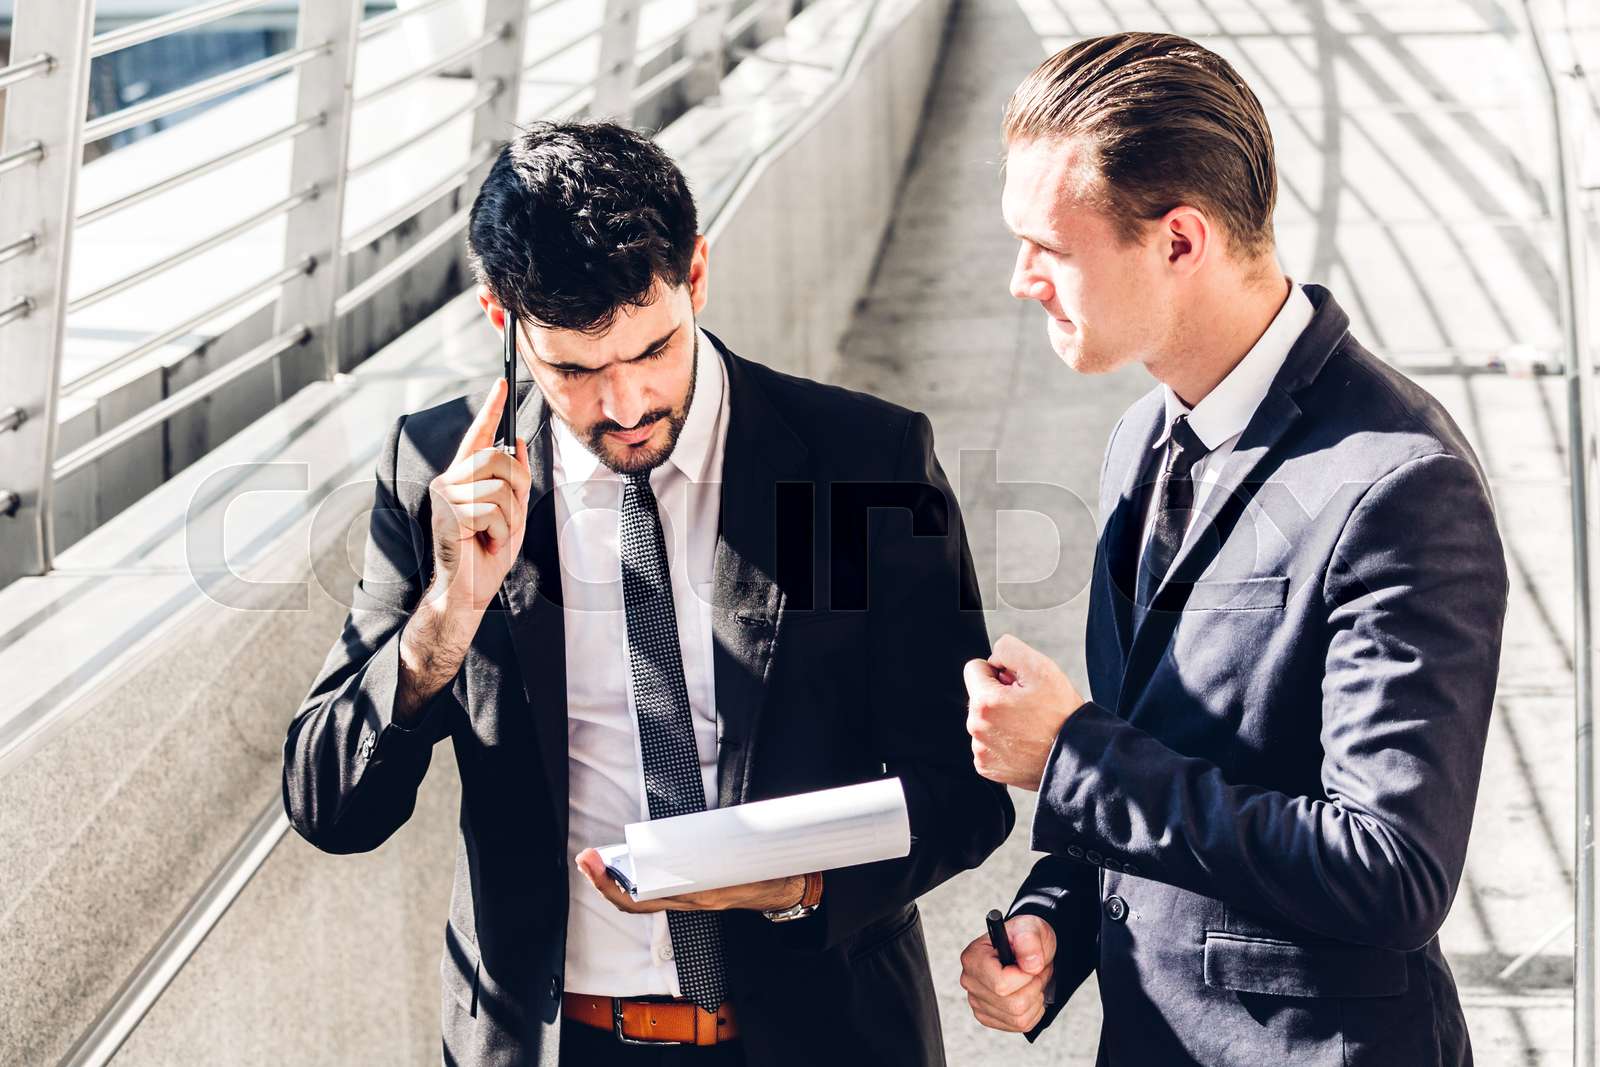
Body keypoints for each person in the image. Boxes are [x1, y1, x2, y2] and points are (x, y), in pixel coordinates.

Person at [282, 121, 1012, 1066]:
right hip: (554, 1043)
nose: (625, 405)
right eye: (575, 370)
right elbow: (330, 807)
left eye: (655, 350)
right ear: (502, 319)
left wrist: (797, 887)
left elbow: (965, 788)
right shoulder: (434, 471)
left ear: (696, 274)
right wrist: (446, 617)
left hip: (821, 1034)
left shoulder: (865, 460)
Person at [958, 32, 1508, 1067]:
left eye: (1050, 247)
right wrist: (1055, 919)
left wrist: (1070, 753)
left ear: (1179, 240)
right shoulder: (1143, 436)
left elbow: (1390, 870)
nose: (1021, 279)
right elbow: (1165, 750)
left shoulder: (1400, 484)